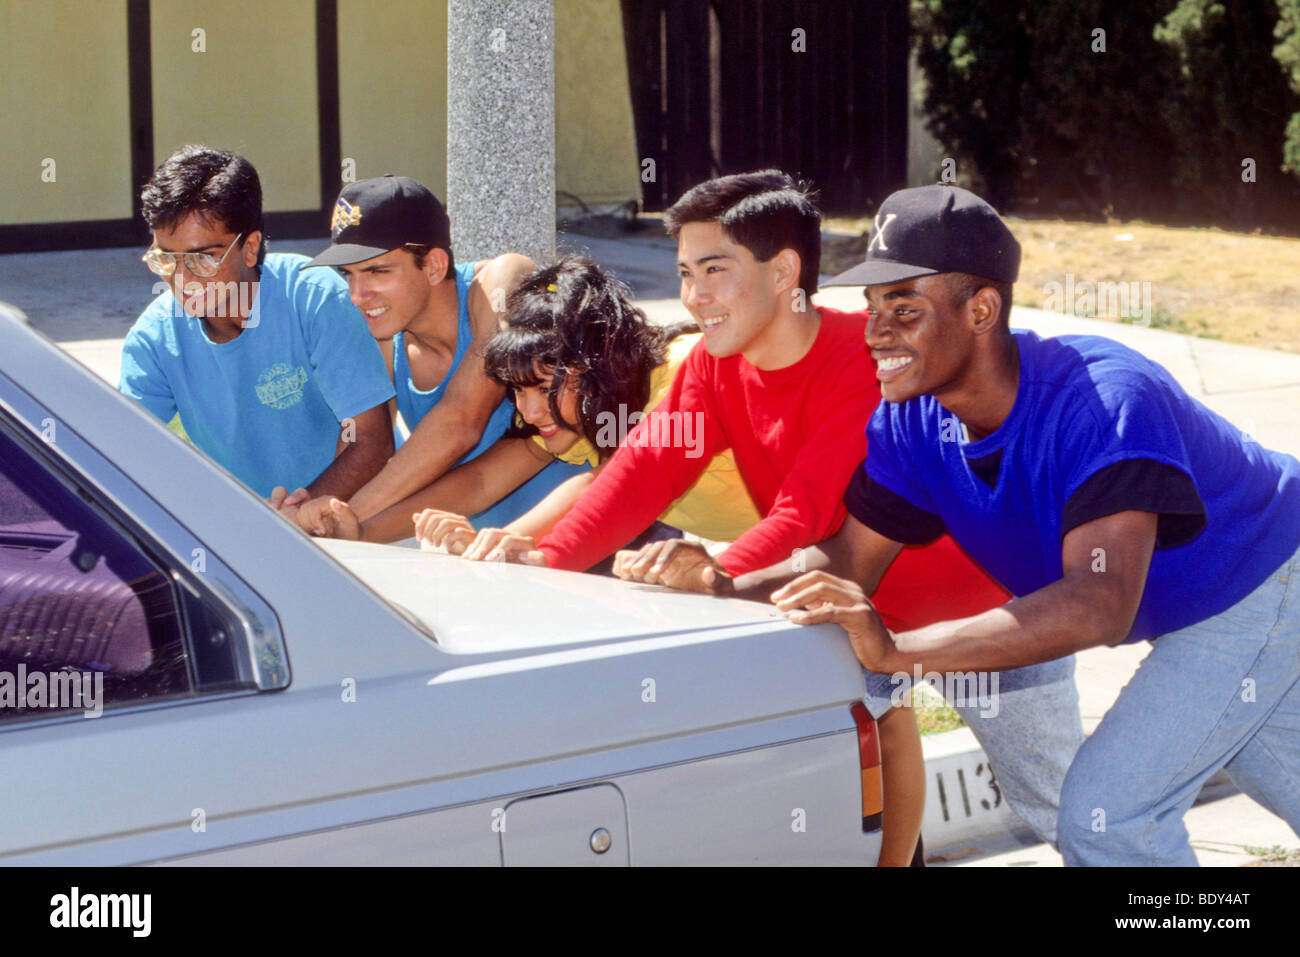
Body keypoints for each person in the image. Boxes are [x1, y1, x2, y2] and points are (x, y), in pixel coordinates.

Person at [487, 171, 1046, 864]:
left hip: (986, 606)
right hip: (846, 594)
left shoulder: (860, 358)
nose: (694, 296)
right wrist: (541, 563)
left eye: (714, 271)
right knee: (872, 709)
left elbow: (802, 513)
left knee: (1063, 801)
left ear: (784, 272)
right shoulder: (715, 365)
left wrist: (715, 572)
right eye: (686, 273)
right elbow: (638, 473)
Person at [741, 184, 1300, 865]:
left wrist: (898, 648)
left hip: (1266, 577)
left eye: (904, 308)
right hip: (1211, 603)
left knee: (1105, 816)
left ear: (982, 308)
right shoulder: (913, 418)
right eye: (873, 308)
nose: (875, 333)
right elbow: (849, 557)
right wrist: (716, 579)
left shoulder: (1103, 399)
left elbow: (1097, 604)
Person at [399, 255, 761, 565]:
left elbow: (621, 485)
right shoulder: (588, 412)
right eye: (517, 391)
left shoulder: (689, 372)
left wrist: (526, 551)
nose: (529, 412)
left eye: (543, 388)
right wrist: (493, 547)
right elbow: (486, 482)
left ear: (596, 367)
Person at [285, 176, 586, 537]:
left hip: (594, 544)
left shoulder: (496, 286)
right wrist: (316, 514)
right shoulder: (381, 337)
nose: (357, 295)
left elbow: (461, 422)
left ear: (433, 266)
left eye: (377, 271)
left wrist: (349, 513)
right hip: (493, 560)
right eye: (348, 275)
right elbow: (366, 451)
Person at [119, 145, 395, 500]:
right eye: (166, 259)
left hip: (360, 516)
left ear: (249, 248)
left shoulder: (312, 298)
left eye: (203, 259)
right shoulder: (154, 340)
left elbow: (371, 442)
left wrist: (294, 519)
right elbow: (126, 452)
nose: (182, 278)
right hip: (248, 529)